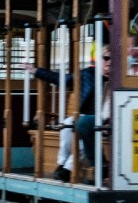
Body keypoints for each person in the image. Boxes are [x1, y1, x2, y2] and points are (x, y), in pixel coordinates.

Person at [24, 52, 112, 182]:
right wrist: (37, 71)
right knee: (67, 124)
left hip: (103, 120)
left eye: (112, 59)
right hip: (84, 116)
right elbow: (64, 79)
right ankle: (62, 163)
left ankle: (67, 169)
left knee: (82, 132)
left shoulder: (117, 79)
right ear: (99, 60)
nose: (109, 63)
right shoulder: (88, 74)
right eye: (106, 58)